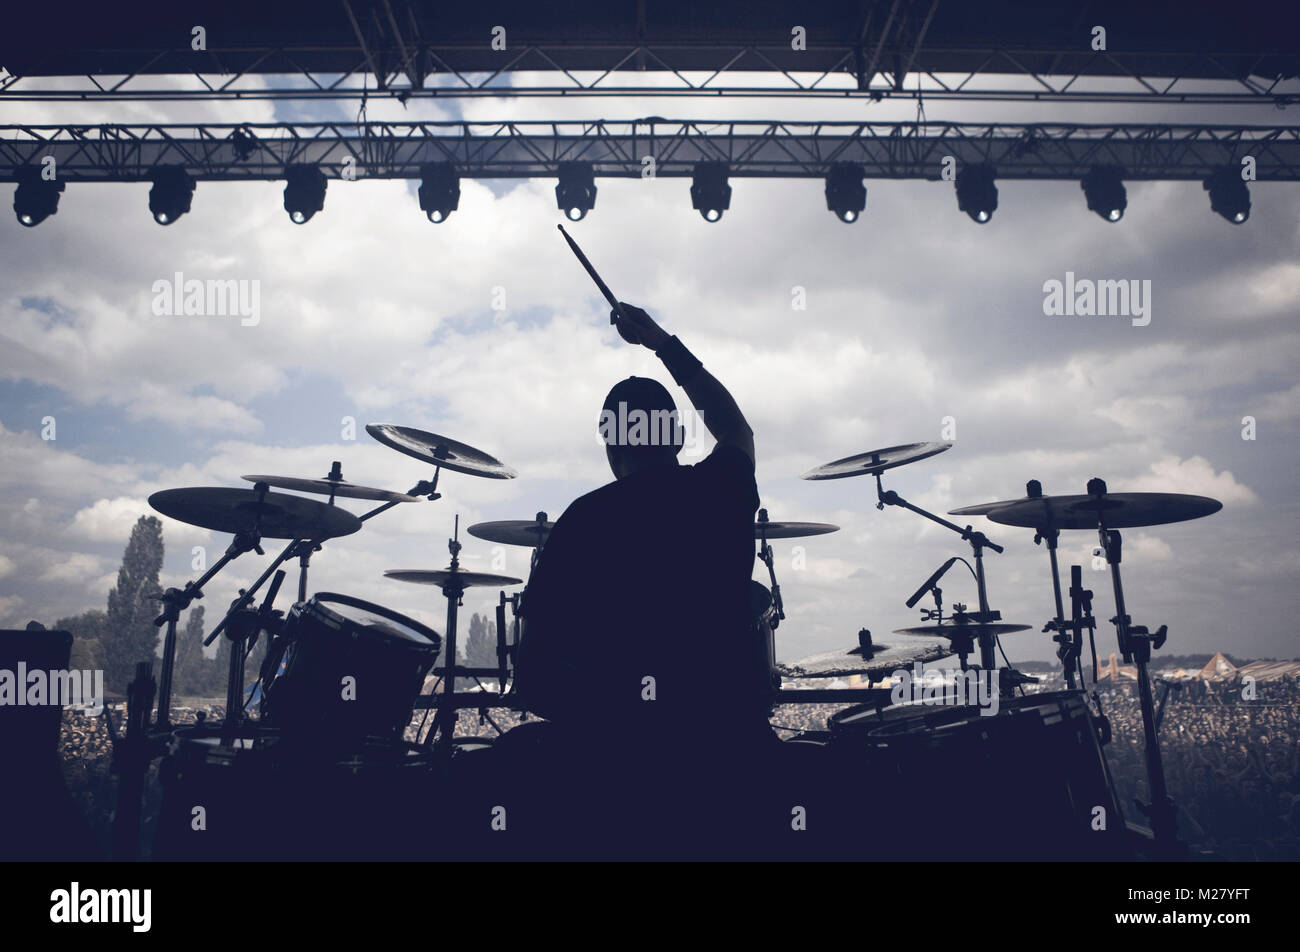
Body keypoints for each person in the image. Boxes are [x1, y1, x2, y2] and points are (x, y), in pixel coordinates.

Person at [515, 303, 770, 754]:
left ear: (612, 446)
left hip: (617, 762)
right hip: (732, 747)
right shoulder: (722, 489)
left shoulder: (584, 520)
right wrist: (661, 344)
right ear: (676, 438)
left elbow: (535, 676)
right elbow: (734, 429)